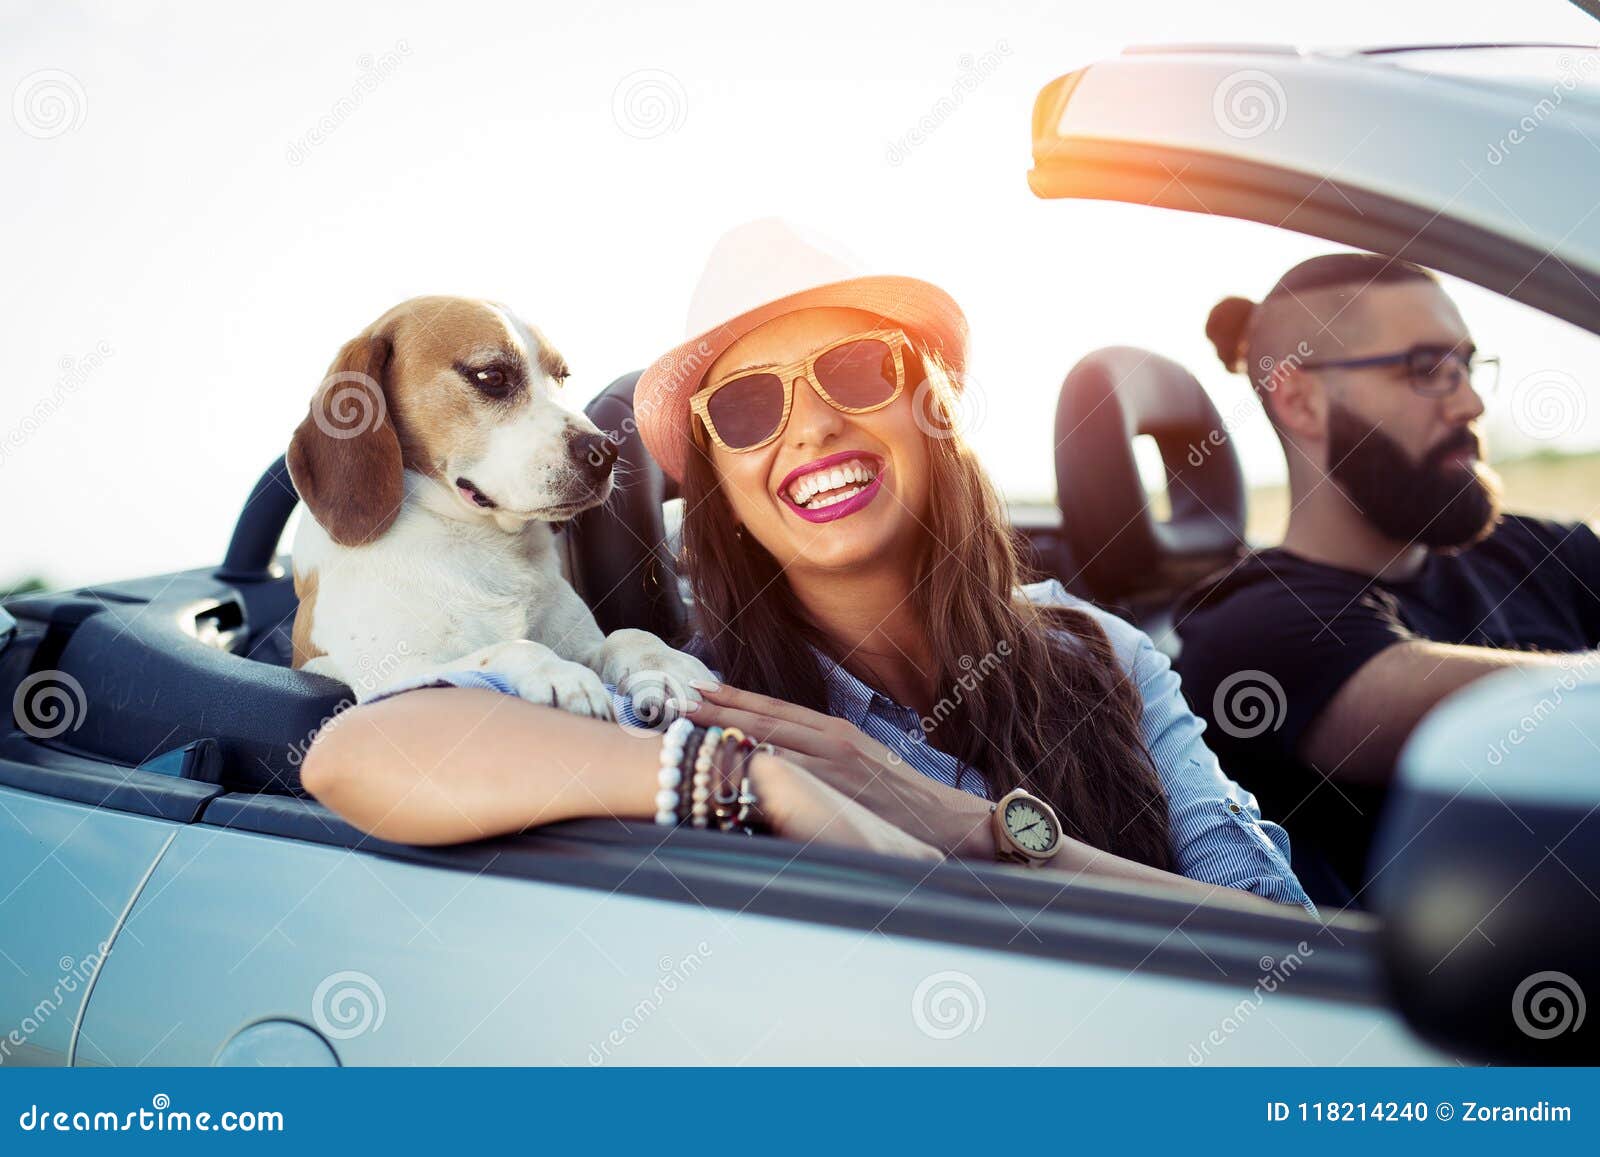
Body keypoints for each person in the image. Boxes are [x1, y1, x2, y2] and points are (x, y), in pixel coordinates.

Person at [301, 219, 1314, 914]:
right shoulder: (698, 698)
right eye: (748, 407)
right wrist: (753, 781)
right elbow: (356, 754)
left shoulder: (1101, 649)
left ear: (930, 411)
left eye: (857, 370)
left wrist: (969, 825)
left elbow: (1287, 948)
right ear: (717, 478)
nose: (815, 423)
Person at [1176, 253, 1600, 901]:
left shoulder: (1541, 549)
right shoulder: (1253, 632)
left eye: (1465, 365)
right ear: (1300, 399)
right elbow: (1552, 722)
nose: (1472, 401)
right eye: (1426, 369)